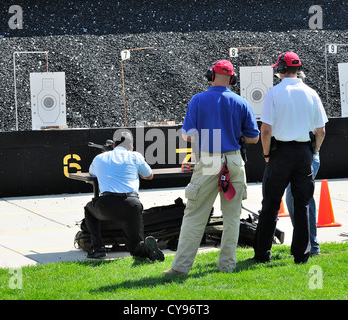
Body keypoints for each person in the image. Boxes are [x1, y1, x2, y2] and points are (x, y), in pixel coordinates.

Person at [163, 60, 259, 275]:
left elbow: (188, 135)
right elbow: (253, 138)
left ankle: (180, 269)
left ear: (210, 75)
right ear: (232, 79)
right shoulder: (241, 102)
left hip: (208, 159)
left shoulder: (198, 100)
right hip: (234, 161)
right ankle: (227, 267)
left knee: (195, 215)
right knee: (232, 218)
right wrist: (234, 136)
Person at [252, 51, 327, 264]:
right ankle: (302, 255)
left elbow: (265, 130)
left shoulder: (274, 93)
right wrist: (312, 151)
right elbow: (320, 131)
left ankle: (262, 254)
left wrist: (267, 154)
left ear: (281, 70)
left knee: (271, 204)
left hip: (280, 153)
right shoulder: (311, 93)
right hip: (304, 152)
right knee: (302, 204)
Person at [84, 130, 164, 262]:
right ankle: (145, 247)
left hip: (106, 204)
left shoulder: (100, 158)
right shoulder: (135, 156)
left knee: (89, 209)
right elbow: (149, 175)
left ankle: (98, 249)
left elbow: (91, 173)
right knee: (135, 247)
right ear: (131, 147)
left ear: (114, 144)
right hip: (131, 204)